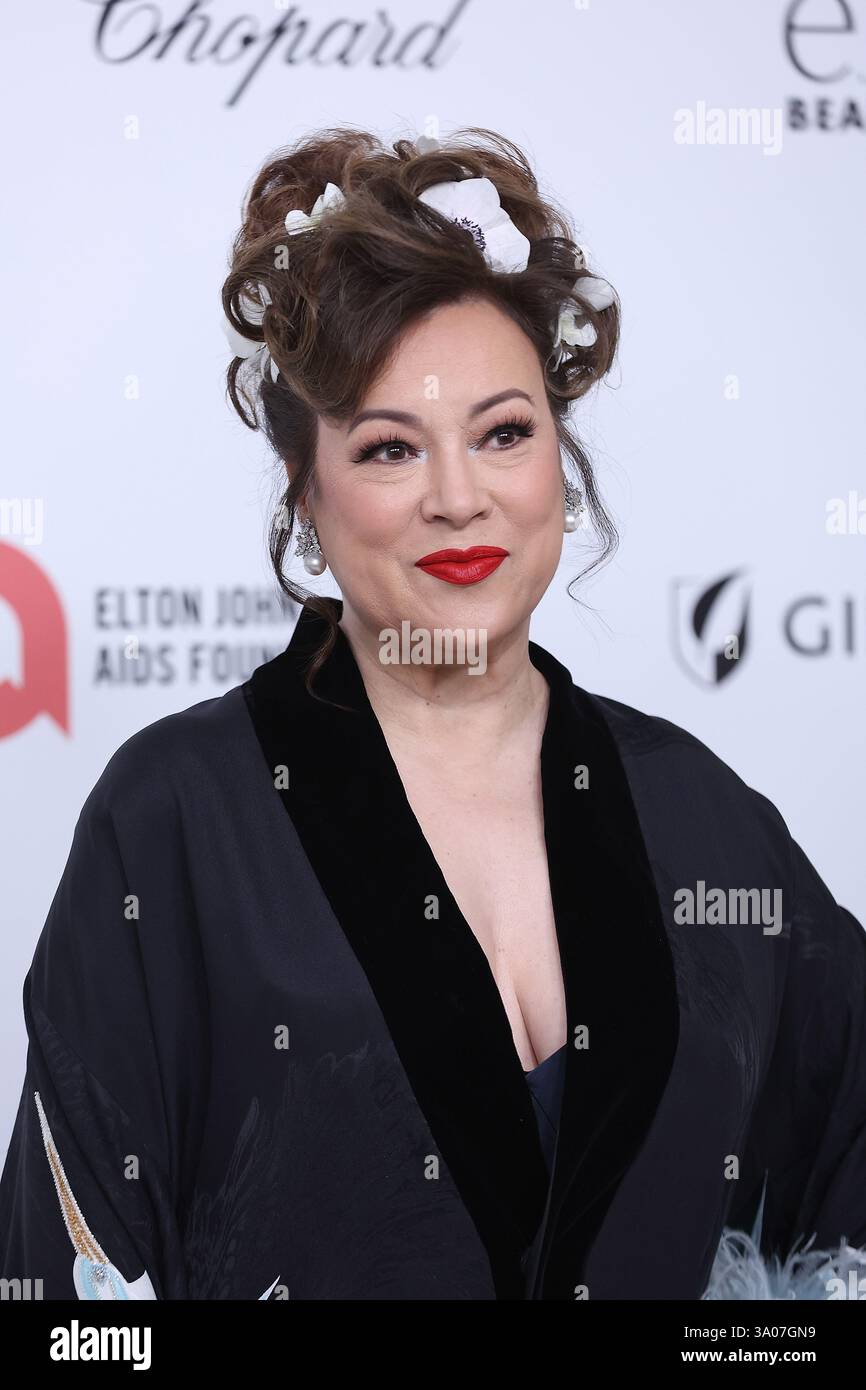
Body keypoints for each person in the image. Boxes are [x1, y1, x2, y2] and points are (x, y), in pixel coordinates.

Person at [2, 126, 865, 1302]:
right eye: (391, 448)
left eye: (503, 432)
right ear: (307, 491)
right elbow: (71, 1304)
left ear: (558, 460)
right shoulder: (174, 822)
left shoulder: (698, 814)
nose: (459, 496)